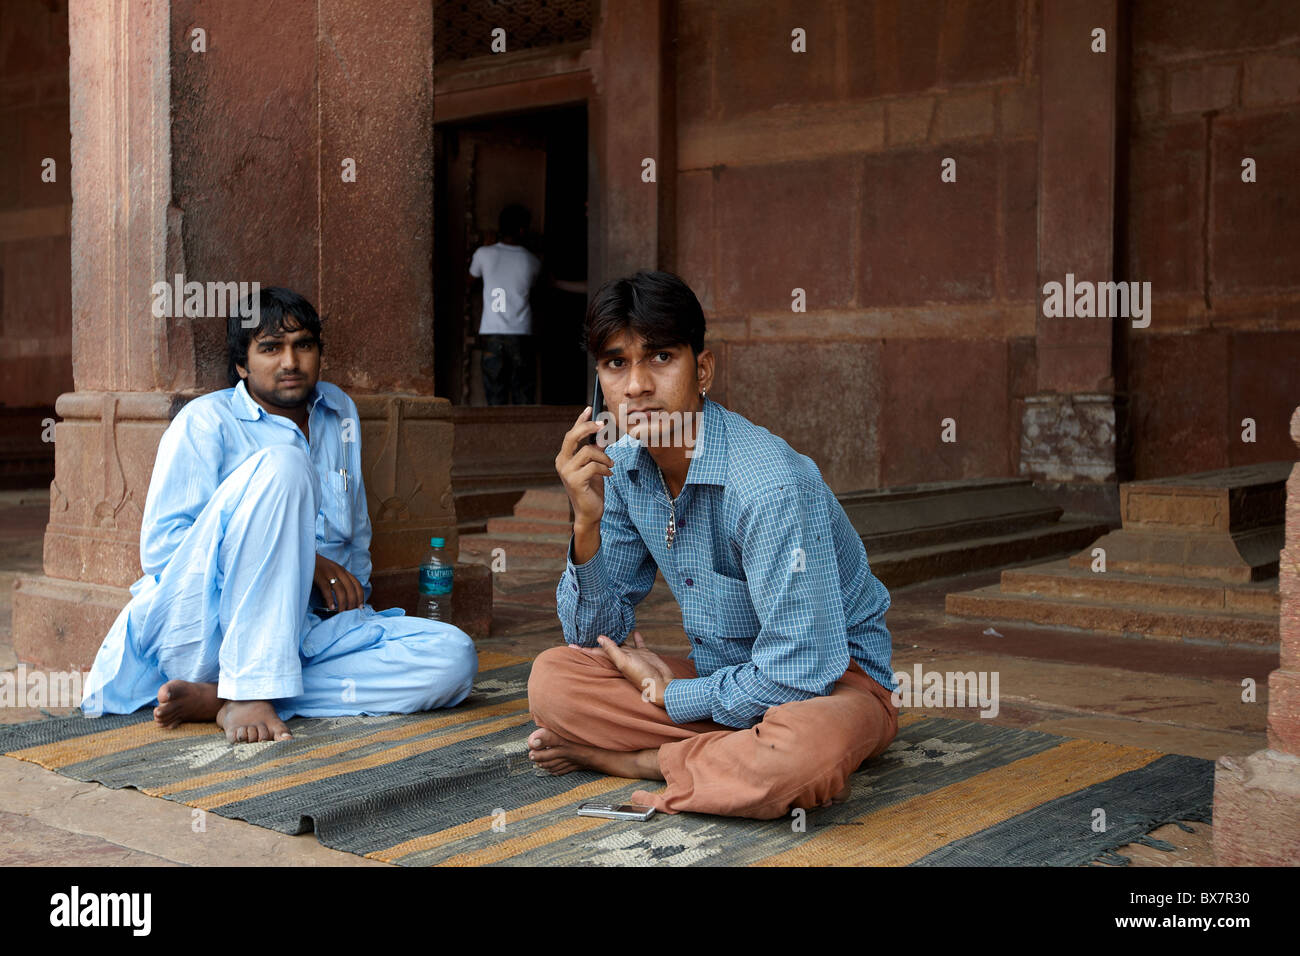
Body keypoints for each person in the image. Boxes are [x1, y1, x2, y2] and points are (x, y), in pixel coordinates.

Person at [527, 270, 899, 819]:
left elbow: (801, 673)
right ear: (600, 383)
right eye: (616, 363)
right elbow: (593, 636)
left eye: (659, 358)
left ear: (701, 369)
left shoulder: (769, 485)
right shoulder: (627, 469)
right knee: (553, 681)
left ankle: (643, 761)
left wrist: (669, 695)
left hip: (834, 687)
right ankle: (717, 759)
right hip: (725, 679)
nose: (636, 387)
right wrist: (585, 524)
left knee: (795, 756)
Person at [80, 287, 477, 743]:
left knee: (454, 659)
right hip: (208, 630)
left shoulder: (337, 411)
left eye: (303, 345)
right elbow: (164, 554)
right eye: (270, 348)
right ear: (242, 365)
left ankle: (226, 697)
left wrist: (343, 598)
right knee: (284, 463)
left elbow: (355, 534)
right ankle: (247, 685)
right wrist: (304, 561)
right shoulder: (205, 422)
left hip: (306, 630)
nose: (290, 361)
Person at [469, 204, 542, 405]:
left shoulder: (483, 254)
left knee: (494, 397)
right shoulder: (532, 261)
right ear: (522, 230)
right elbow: (539, 288)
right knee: (524, 396)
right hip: (521, 334)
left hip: (491, 333)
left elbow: (468, 281)